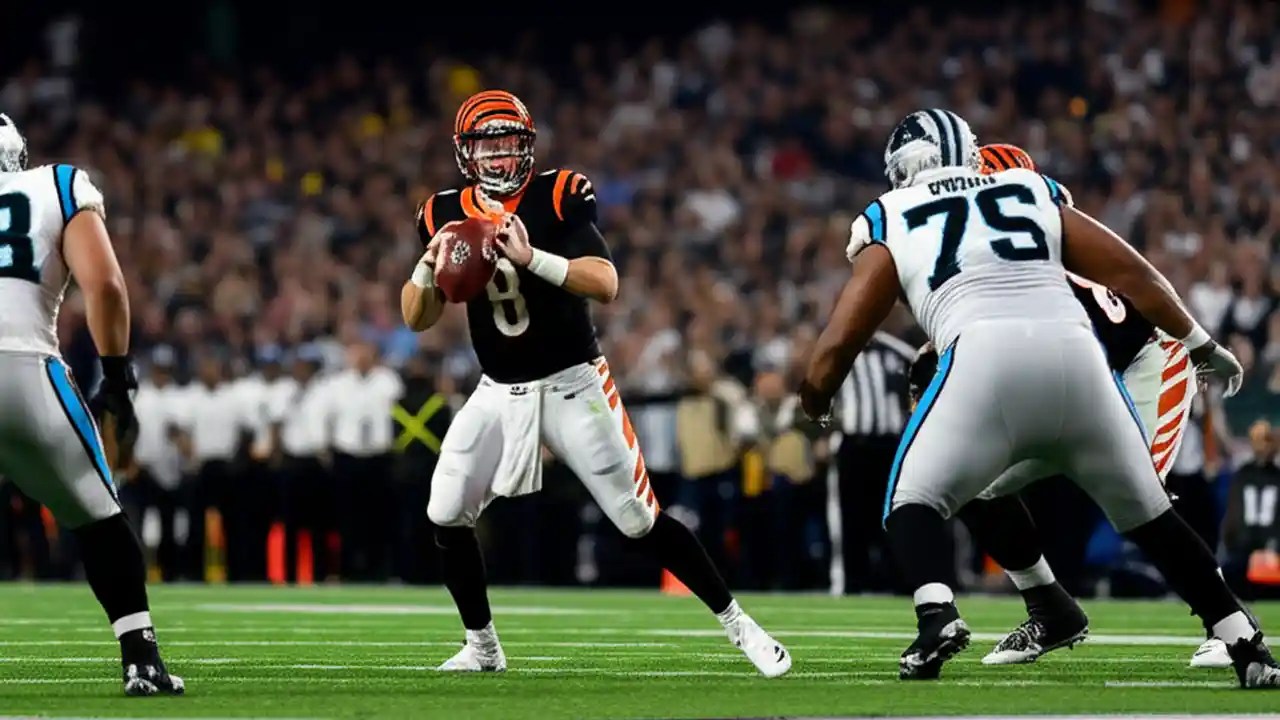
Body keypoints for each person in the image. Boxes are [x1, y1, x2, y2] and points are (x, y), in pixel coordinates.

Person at [798, 108, 1278, 688]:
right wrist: (1201, 342)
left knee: (914, 500)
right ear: (970, 154)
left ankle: (937, 615)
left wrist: (816, 397)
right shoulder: (1030, 189)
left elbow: (842, 337)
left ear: (900, 168)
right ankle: (1243, 641)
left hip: (985, 362)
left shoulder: (888, 214)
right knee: (1152, 516)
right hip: (1081, 363)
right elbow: (1137, 273)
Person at [400, 89, 789, 677]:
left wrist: (532, 259)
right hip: (498, 387)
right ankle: (483, 648)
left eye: (510, 144)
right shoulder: (442, 211)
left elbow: (605, 283)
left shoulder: (558, 195)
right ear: (466, 153)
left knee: (637, 517)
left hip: (572, 382)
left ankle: (741, 626)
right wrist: (427, 269)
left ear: (527, 147)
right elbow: (416, 317)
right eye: (489, 145)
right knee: (445, 508)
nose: (501, 157)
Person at [911, 142, 1229, 670]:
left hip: (1147, 362)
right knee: (974, 484)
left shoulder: (1038, 254)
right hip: (1082, 381)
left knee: (1141, 496)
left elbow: (1130, 303)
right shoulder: (1017, 251)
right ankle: (1049, 608)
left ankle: (1227, 622)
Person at [0, 114, 182, 695]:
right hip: (27, 365)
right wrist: (117, 378)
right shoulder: (57, 183)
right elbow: (104, 285)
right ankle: (142, 660)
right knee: (99, 517)